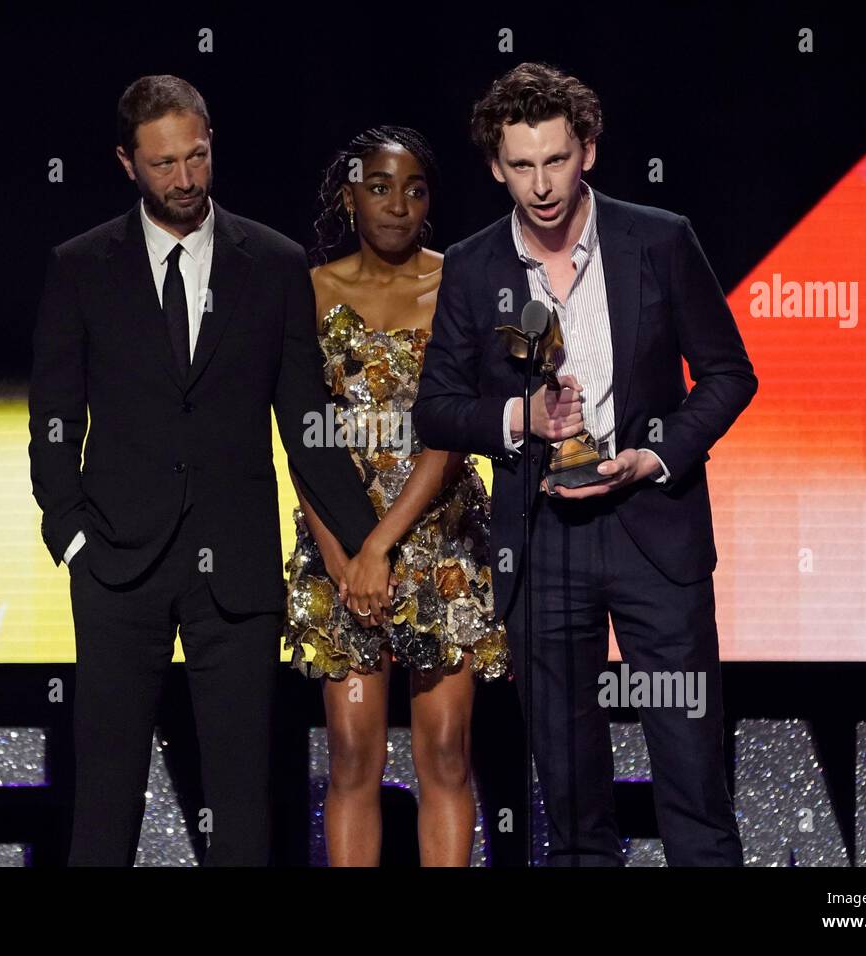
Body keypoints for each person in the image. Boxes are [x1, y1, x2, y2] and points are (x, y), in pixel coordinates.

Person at [28, 75, 378, 866]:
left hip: (238, 575)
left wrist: (365, 542)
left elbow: (308, 424)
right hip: (117, 566)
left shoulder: (275, 263)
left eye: (195, 157)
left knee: (244, 804)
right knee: (106, 799)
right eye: (162, 165)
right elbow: (54, 419)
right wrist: (70, 533)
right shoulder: (81, 267)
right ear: (127, 163)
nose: (184, 179)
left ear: (211, 144)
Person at [412, 62, 756, 866]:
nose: (541, 185)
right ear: (496, 165)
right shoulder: (471, 264)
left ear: (589, 152)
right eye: (522, 165)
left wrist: (658, 455)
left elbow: (730, 374)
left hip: (654, 536)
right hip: (544, 546)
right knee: (570, 805)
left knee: (694, 784)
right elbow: (435, 406)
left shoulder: (659, 238)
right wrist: (518, 418)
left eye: (557, 160)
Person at [284, 126, 509, 866]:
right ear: (350, 196)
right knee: (353, 757)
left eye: (414, 190)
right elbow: (303, 436)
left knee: (444, 753)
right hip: (340, 553)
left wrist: (382, 546)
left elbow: (452, 432)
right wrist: (343, 556)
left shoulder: (458, 283)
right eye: (378, 187)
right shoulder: (313, 292)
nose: (397, 205)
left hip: (439, 544)